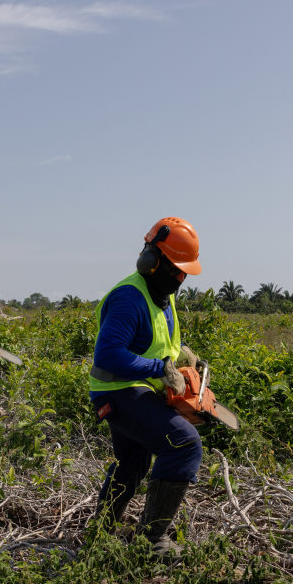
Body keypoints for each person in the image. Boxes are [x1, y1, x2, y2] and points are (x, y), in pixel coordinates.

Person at [87, 217, 205, 555]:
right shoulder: (129, 298)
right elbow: (109, 355)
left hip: (136, 388)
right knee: (183, 444)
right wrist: (161, 369)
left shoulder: (162, 298)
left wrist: (181, 356)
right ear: (151, 262)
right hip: (117, 390)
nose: (180, 277)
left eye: (185, 272)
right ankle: (152, 542)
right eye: (176, 269)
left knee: (134, 460)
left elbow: (155, 342)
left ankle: (101, 531)